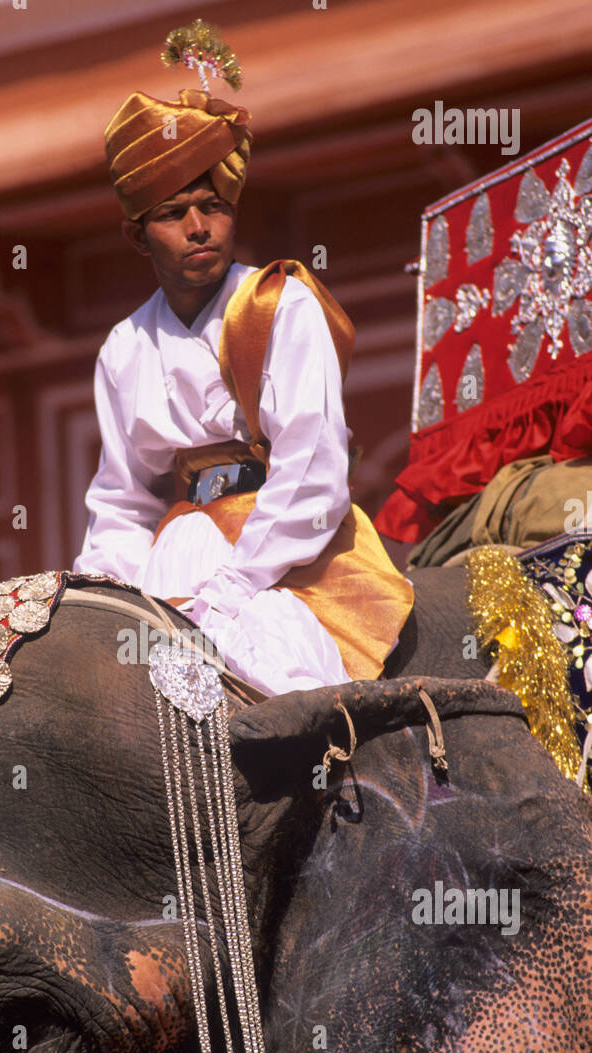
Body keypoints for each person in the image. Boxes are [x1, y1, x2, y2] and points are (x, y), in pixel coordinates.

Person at [72, 86, 413, 696]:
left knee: (280, 682)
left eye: (214, 207)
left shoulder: (279, 304)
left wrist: (234, 584)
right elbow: (125, 502)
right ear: (137, 236)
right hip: (179, 555)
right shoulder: (123, 348)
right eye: (173, 214)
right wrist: (100, 603)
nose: (199, 228)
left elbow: (313, 465)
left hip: (287, 554)